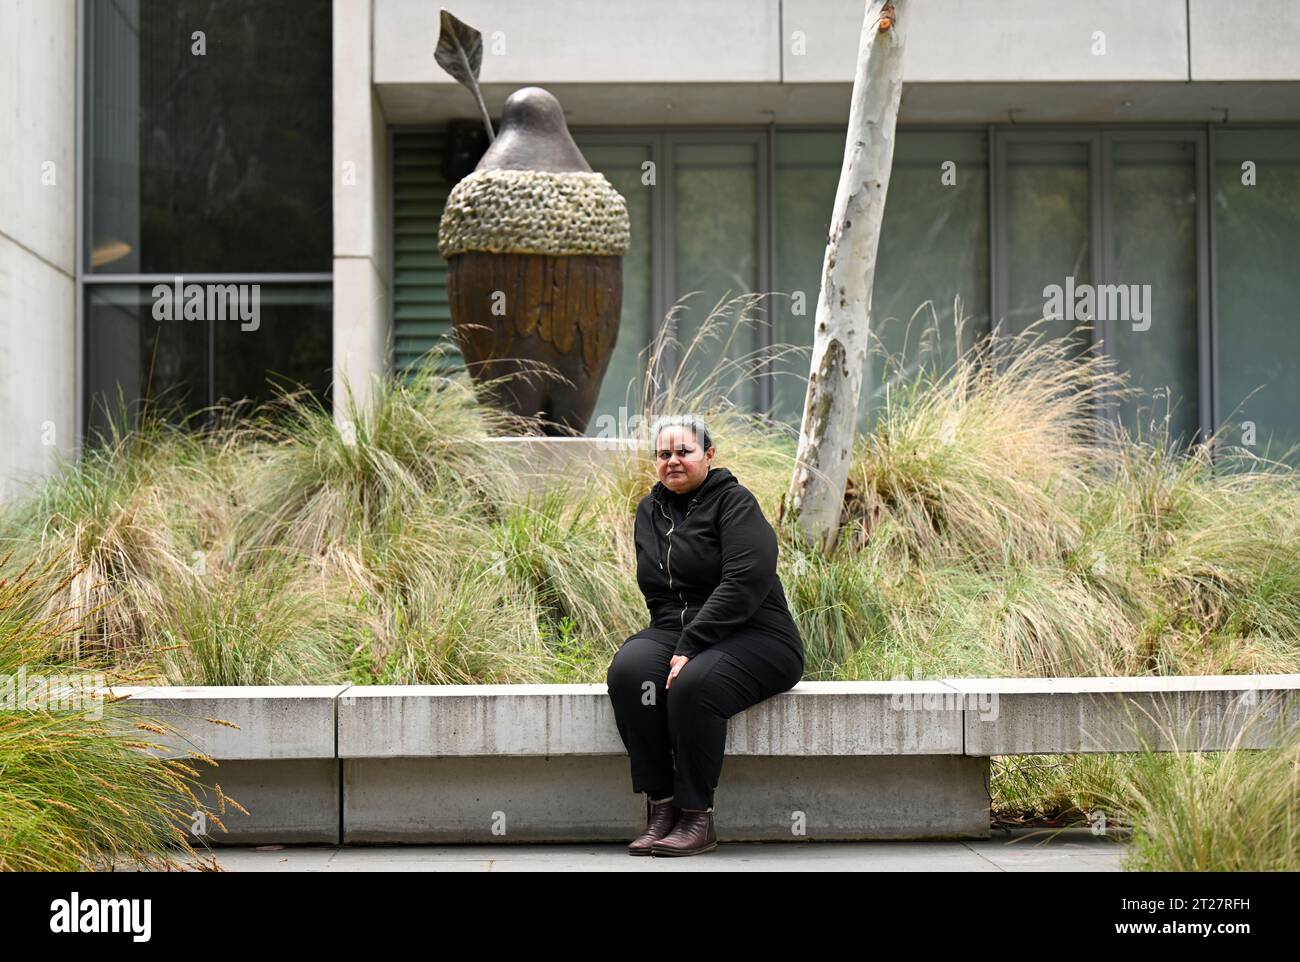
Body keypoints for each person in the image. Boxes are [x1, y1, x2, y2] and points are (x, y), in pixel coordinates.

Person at [605, 414, 806, 856]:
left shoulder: (734, 502)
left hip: (756, 634)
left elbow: (745, 581)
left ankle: (698, 817)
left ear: (708, 455)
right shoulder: (649, 510)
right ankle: (662, 806)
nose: (673, 461)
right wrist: (672, 642)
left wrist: (691, 645)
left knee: (693, 686)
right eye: (663, 454)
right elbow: (658, 593)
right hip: (678, 632)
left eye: (684, 452)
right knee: (630, 673)